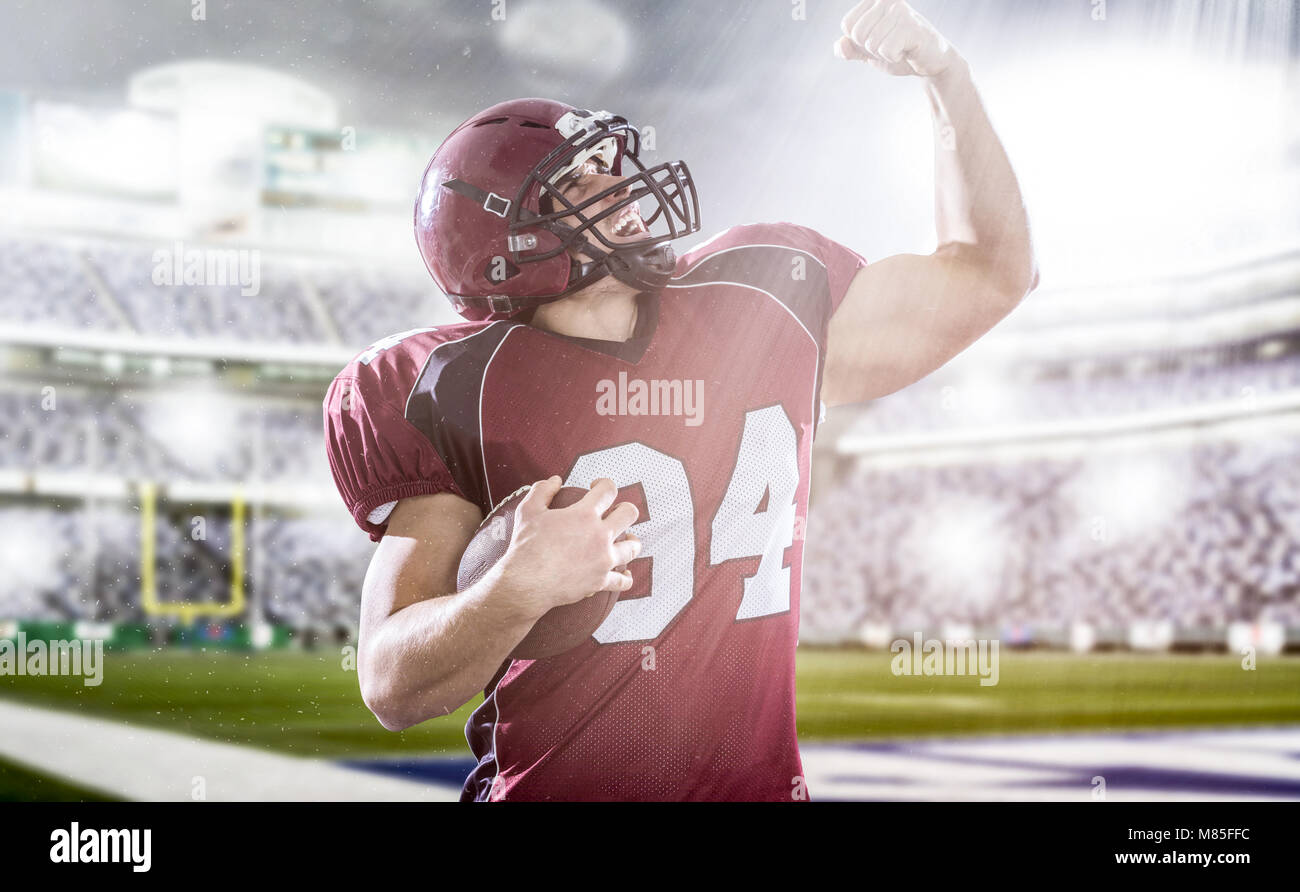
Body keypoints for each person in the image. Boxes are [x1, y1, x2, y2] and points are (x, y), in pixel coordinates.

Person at [323, 0, 1036, 801]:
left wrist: (948, 79)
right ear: (508, 245)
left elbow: (992, 273)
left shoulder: (763, 297)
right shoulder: (449, 386)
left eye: (604, 160)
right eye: (575, 182)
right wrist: (513, 589)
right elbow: (392, 684)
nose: (618, 182)